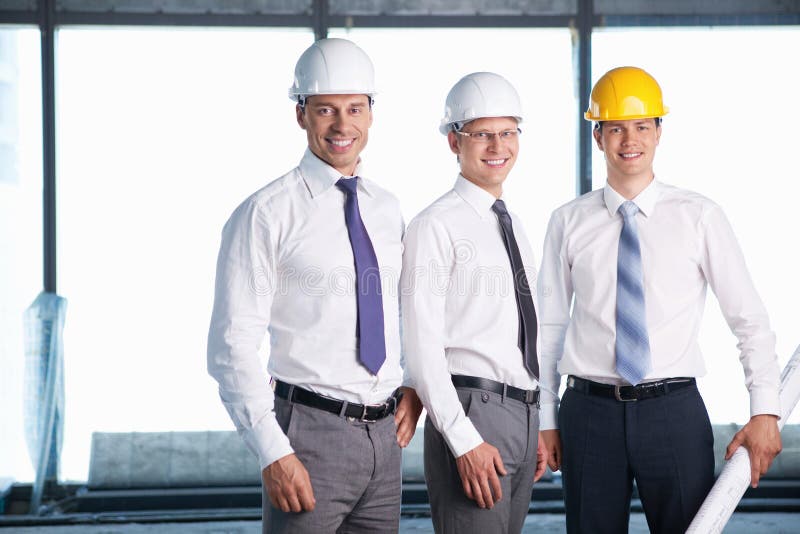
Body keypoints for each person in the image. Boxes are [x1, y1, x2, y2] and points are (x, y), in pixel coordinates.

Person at [538, 66, 782, 533]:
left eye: (642, 126)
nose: (630, 140)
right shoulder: (567, 222)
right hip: (588, 415)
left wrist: (765, 410)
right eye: (616, 128)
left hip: (673, 411)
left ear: (659, 132)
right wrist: (547, 418)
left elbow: (748, 318)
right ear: (598, 136)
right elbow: (549, 328)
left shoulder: (700, 216)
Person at [207, 38, 422, 534]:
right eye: (326, 110)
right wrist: (273, 452)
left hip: (386, 441)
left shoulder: (386, 209)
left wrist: (411, 382)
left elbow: (399, 310)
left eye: (354, 109)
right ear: (300, 114)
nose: (342, 125)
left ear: (371, 114)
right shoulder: (265, 213)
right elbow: (230, 347)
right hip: (308, 434)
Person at [401, 72, 548, 534]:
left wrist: (536, 419)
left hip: (520, 413)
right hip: (473, 410)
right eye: (481, 134)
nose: (496, 146)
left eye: (507, 133)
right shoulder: (435, 225)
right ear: (453, 142)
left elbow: (520, 332)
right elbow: (423, 349)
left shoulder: (513, 224)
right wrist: (464, 441)